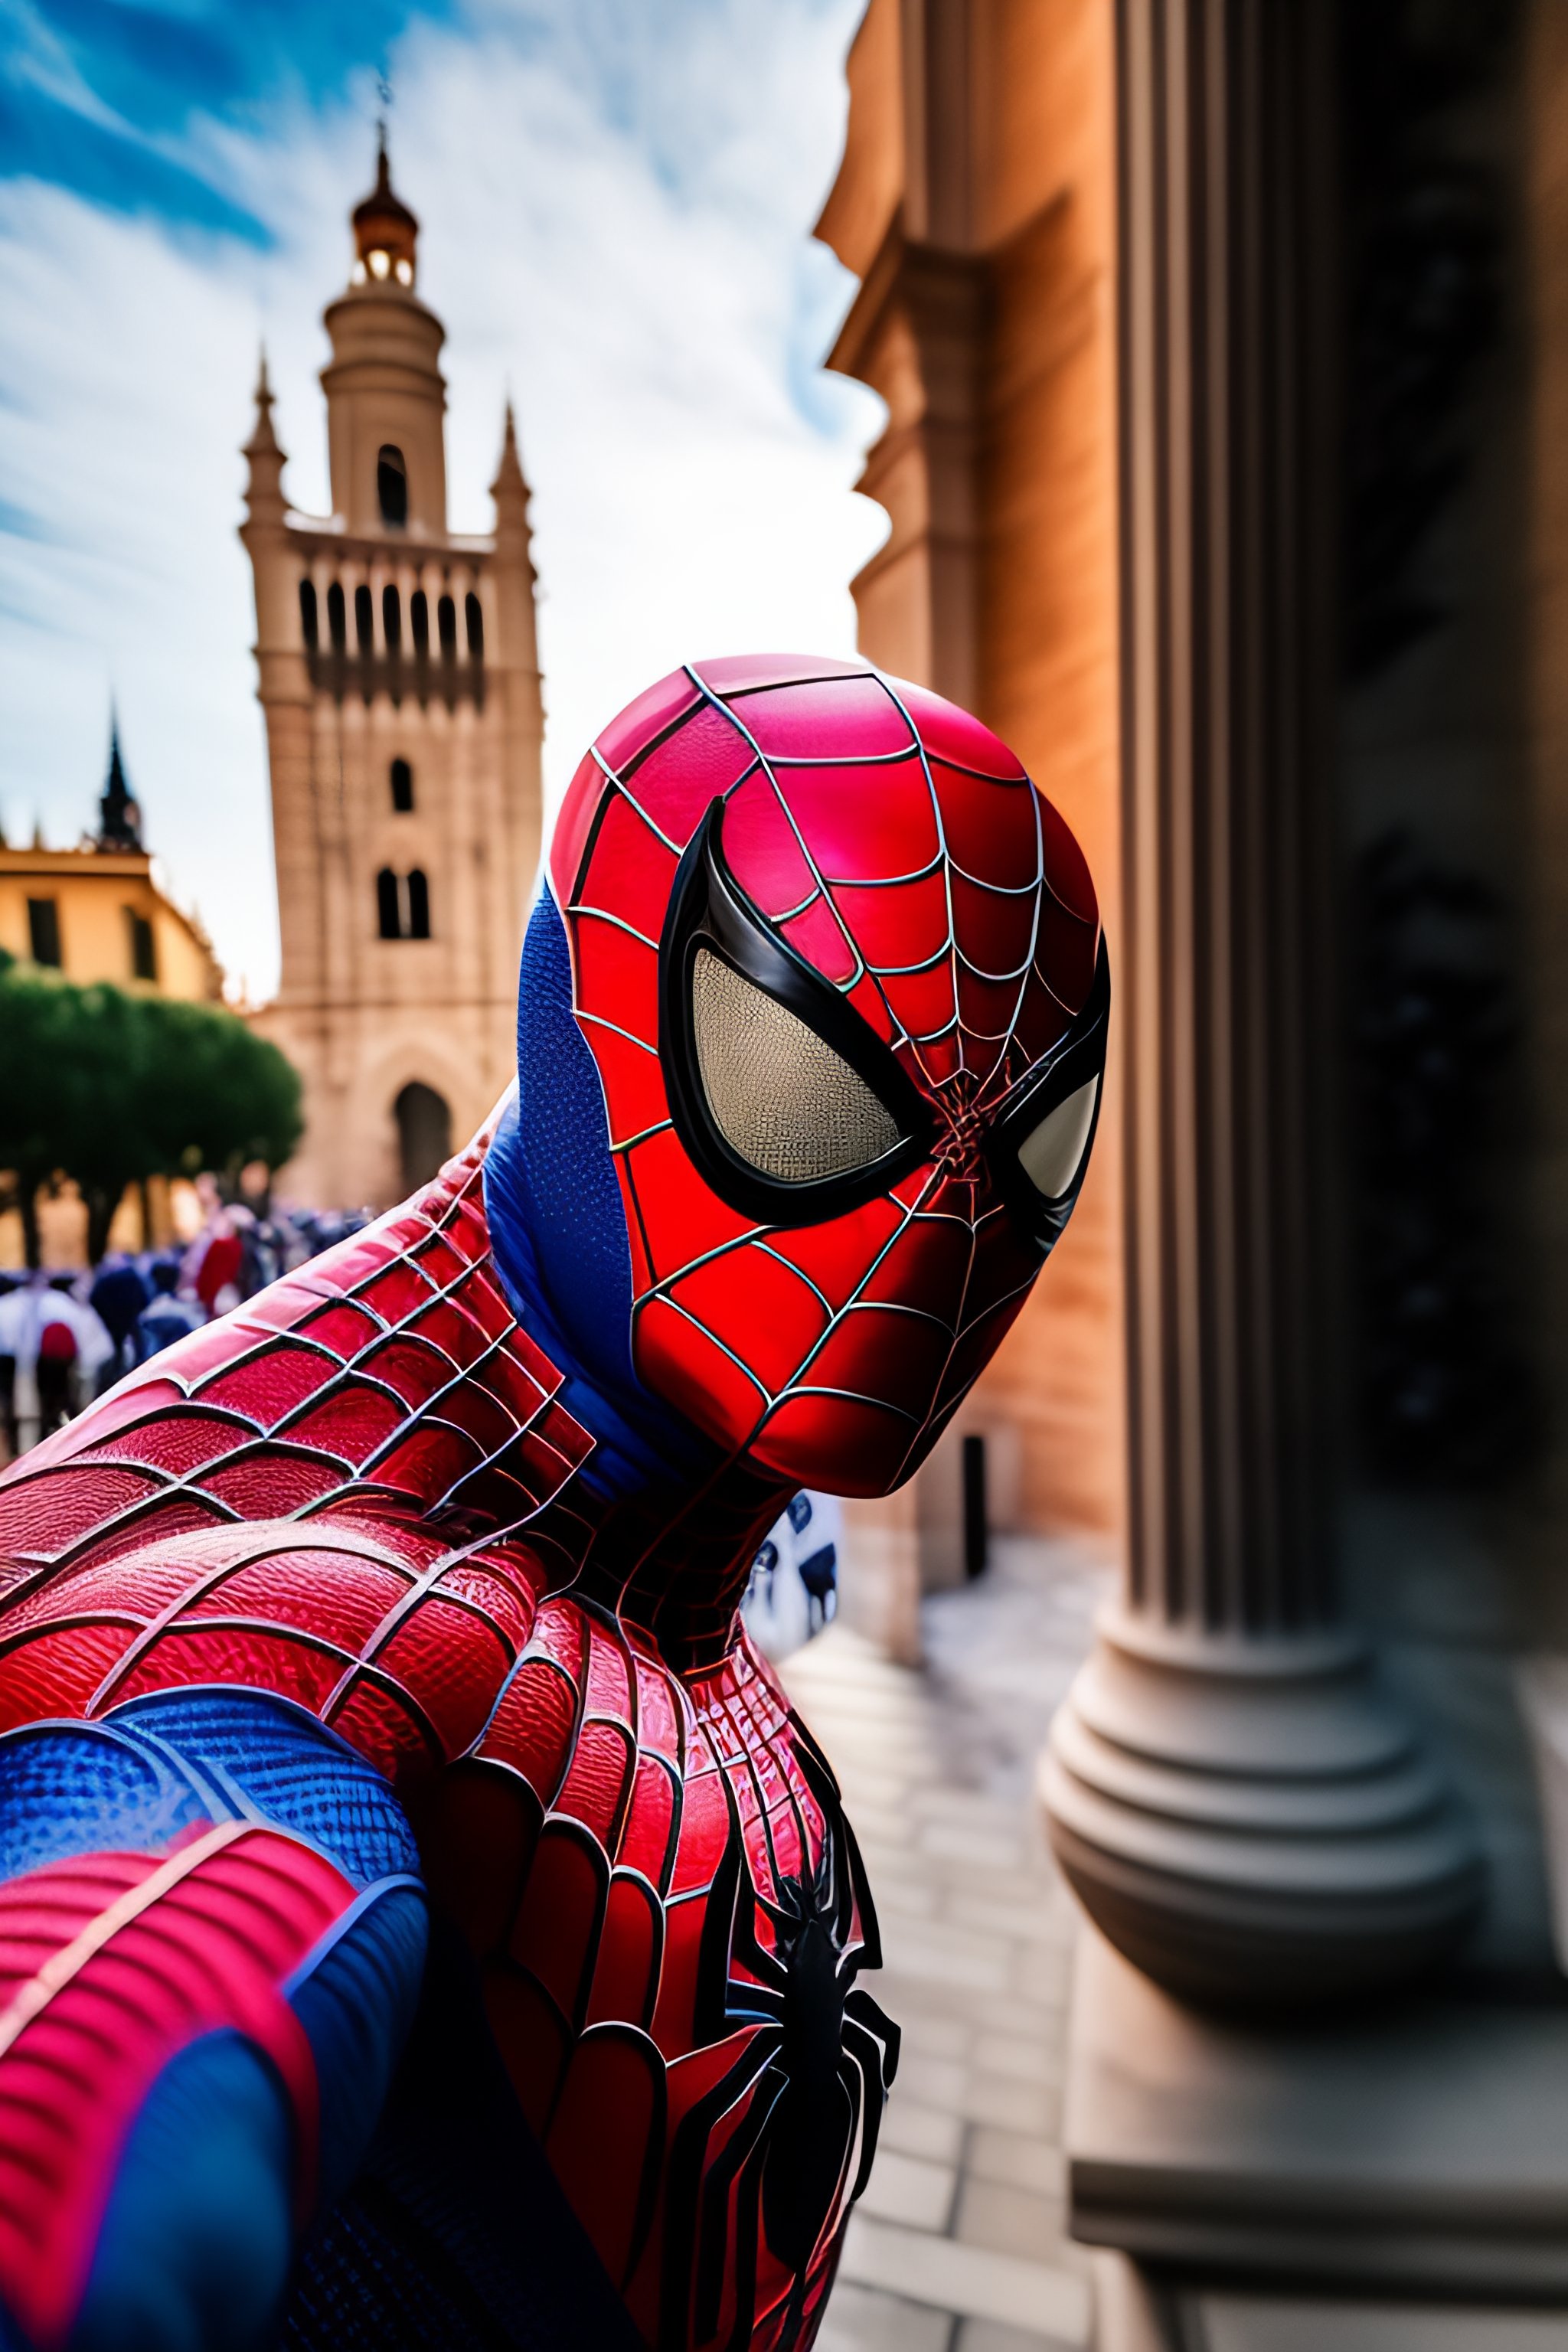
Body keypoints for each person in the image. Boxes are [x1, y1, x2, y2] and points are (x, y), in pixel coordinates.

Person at [0, 658, 1106, 2351]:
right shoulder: (335, 1610)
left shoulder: (656, 1567)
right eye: (818, 1086)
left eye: (1030, 1136)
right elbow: (161, 1909)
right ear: (578, 999)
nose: (937, 1220)